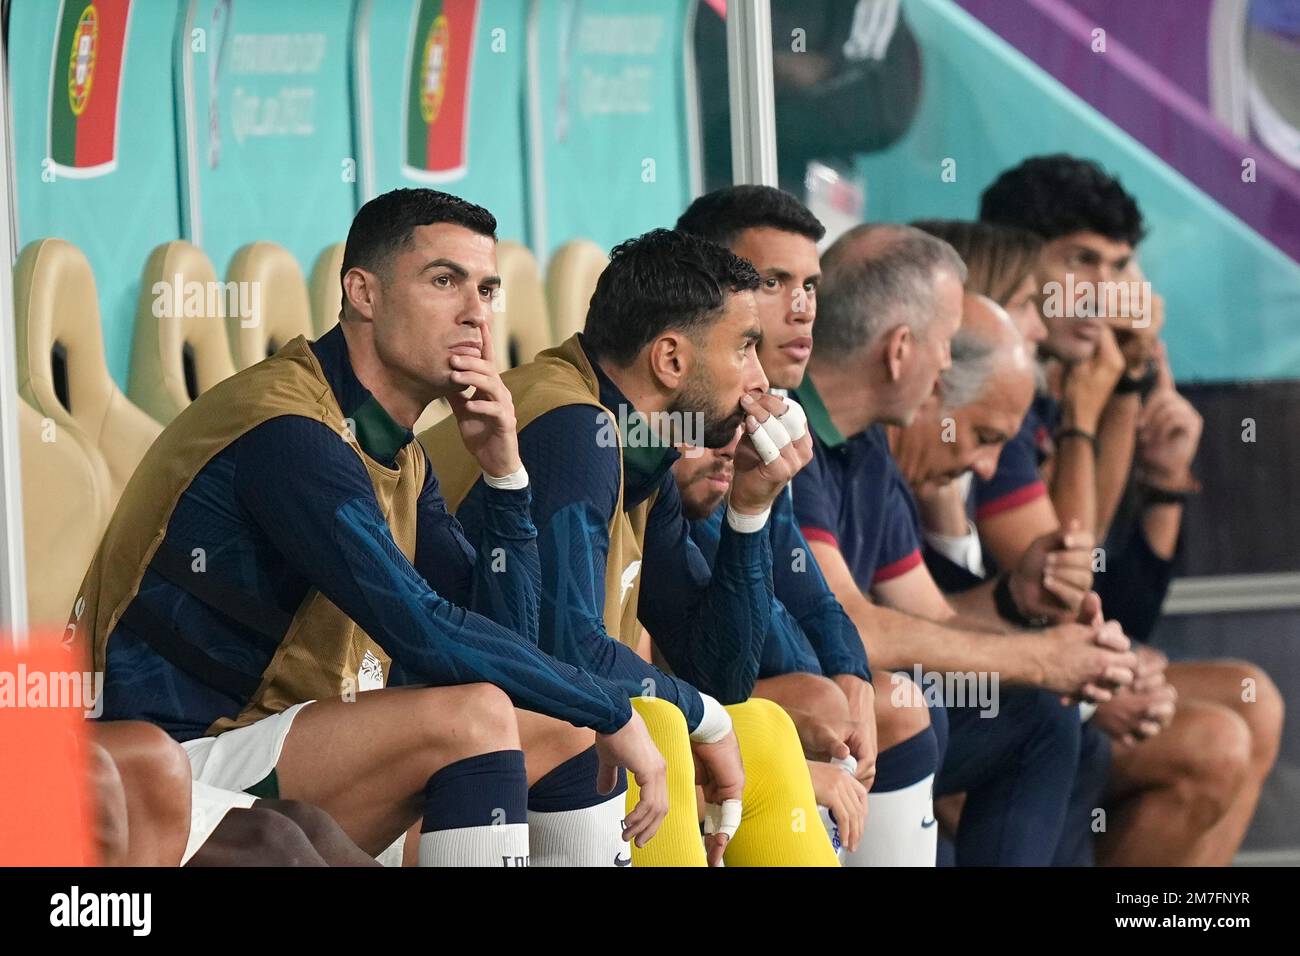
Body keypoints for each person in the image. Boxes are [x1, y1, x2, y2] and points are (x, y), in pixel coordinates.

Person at [73, 188, 668, 867]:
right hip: (168, 766)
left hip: (286, 756)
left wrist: (505, 476)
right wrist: (612, 708)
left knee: (557, 723)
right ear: (363, 292)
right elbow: (429, 632)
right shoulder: (291, 434)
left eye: (487, 289)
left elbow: (510, 641)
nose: (476, 313)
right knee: (477, 719)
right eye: (444, 281)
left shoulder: (395, 445)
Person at [422, 227, 840, 866]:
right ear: (670, 359)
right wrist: (706, 716)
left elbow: (718, 675)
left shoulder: (636, 445)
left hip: (515, 727)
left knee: (762, 725)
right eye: (746, 348)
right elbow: (565, 651)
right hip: (436, 736)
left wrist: (749, 511)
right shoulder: (573, 425)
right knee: (666, 722)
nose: (762, 379)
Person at [788, 223, 1138, 865]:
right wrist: (1041, 659)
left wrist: (1023, 611)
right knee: (926, 701)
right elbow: (845, 626)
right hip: (789, 721)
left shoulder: (864, 445)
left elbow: (933, 619)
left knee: (1040, 717)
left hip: (862, 723)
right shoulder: (790, 435)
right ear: (900, 351)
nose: (947, 364)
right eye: (946, 345)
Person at [973, 156, 1284, 864]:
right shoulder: (996, 390)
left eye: (1118, 269)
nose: (1102, 294)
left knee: (1255, 700)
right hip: (983, 690)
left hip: (1042, 663)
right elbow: (1065, 581)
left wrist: (1146, 436)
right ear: (1020, 261)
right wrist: (1097, 406)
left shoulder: (1071, 378)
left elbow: (1114, 591)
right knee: (1214, 741)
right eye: (1081, 262)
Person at [676, 184, 952, 866]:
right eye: (774, 282)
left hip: (735, 700)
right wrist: (826, 691)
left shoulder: (766, 416)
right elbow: (687, 642)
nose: (802, 309)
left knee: (874, 703)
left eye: (810, 285)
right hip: (668, 709)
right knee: (844, 706)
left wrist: (851, 673)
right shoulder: (671, 436)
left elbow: (805, 589)